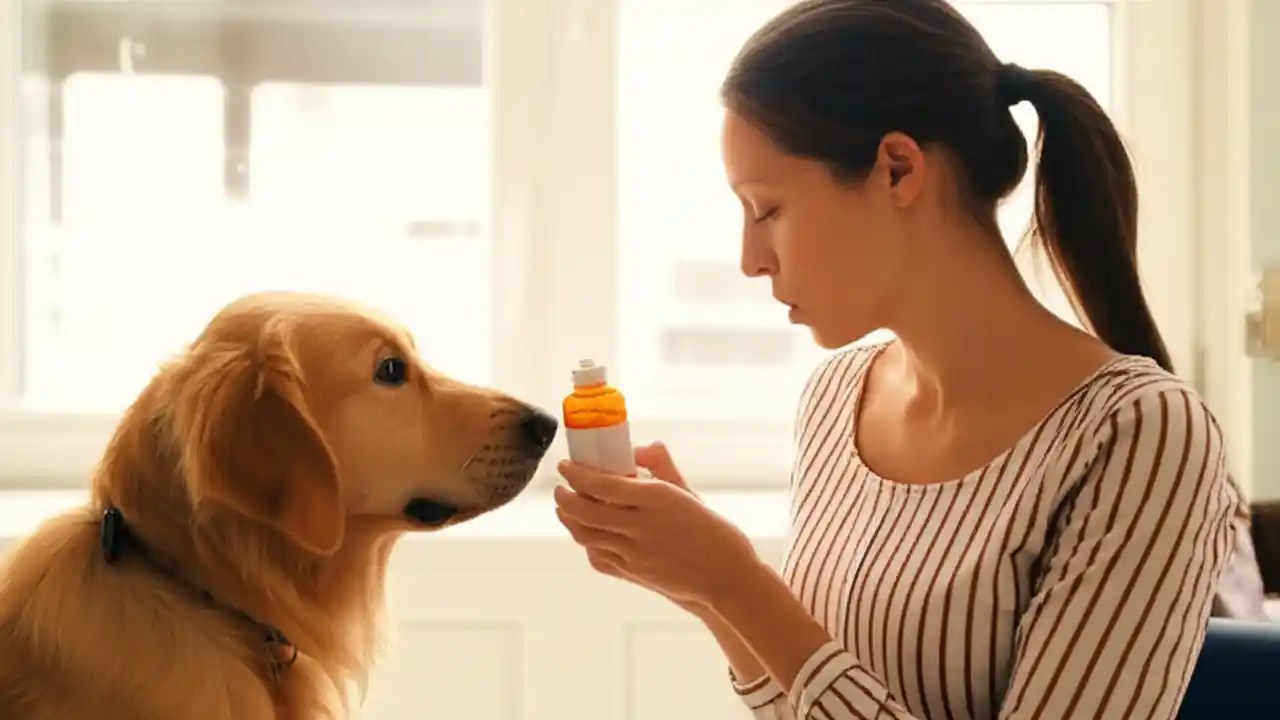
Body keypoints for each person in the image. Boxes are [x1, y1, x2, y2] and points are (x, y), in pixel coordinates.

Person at [552, 0, 1258, 717]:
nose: (750, 259)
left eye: (768, 209)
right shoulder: (835, 399)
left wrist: (738, 584)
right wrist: (707, 590)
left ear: (897, 170)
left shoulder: (1139, 434)